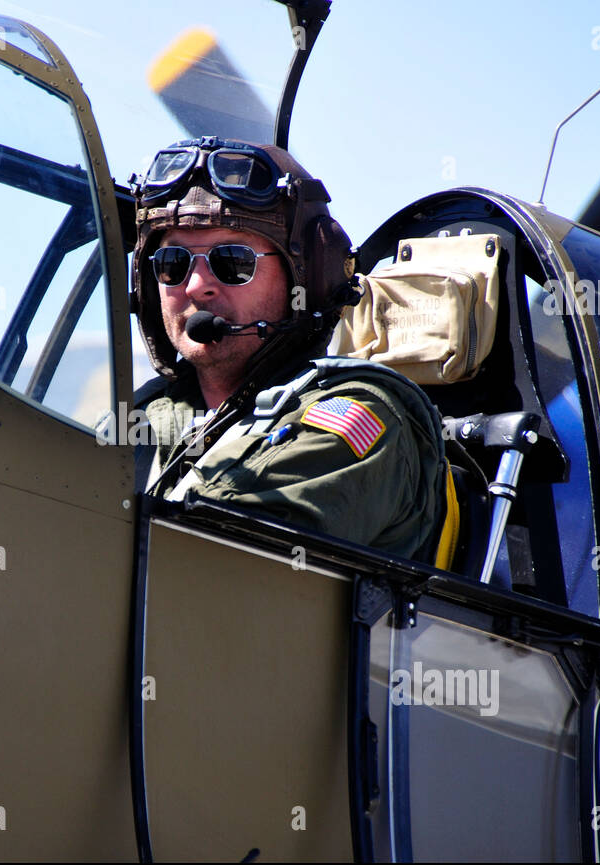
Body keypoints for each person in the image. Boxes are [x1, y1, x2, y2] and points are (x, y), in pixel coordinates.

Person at [129, 137, 448, 562]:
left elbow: (209, 555)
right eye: (172, 263)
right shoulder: (148, 413)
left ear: (307, 278)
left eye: (233, 261)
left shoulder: (363, 417)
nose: (195, 286)